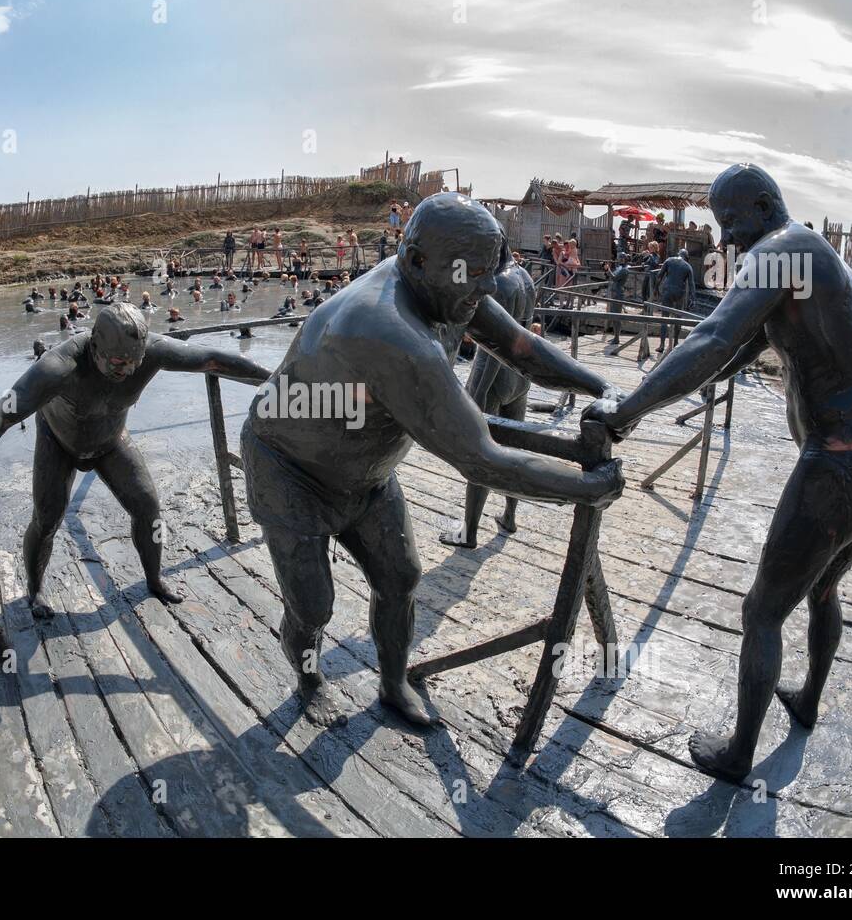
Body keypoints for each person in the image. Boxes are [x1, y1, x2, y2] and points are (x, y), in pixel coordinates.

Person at [241, 193, 625, 728]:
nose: (488, 289)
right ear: (415, 260)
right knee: (313, 606)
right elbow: (483, 462)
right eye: (477, 275)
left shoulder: (454, 286)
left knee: (400, 579)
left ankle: (393, 682)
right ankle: (309, 678)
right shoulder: (384, 329)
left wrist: (602, 386)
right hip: (290, 471)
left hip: (368, 473)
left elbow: (519, 349)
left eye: (493, 273)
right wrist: (589, 488)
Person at [585, 164, 852, 783]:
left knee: (761, 613)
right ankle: (807, 699)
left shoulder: (781, 251)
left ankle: (738, 756)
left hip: (836, 468)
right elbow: (730, 355)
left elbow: (711, 337)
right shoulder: (813, 257)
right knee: (823, 588)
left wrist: (625, 412)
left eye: (730, 223)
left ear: (763, 205)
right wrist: (671, 382)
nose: (725, 240)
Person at [0, 302, 272, 615]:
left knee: (148, 507)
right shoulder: (58, 367)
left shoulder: (151, 352)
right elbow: (1, 415)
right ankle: (35, 591)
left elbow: (214, 359)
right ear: (95, 346)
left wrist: (274, 381)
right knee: (47, 520)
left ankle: (154, 579)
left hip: (110, 440)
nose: (126, 371)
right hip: (59, 442)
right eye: (118, 363)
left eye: (133, 364)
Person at [438, 255, 549, 548]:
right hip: (520, 378)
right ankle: (510, 515)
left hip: (495, 380)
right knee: (514, 448)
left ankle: (470, 530)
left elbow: (491, 349)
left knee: (481, 456)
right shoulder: (524, 276)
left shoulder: (498, 283)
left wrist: (475, 397)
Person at [656, 248, 695, 352]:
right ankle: (676, 343)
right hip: (679, 293)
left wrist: (656, 289)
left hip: (667, 291)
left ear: (678, 254)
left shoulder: (669, 260)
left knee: (664, 318)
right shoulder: (688, 266)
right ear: (686, 257)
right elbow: (691, 285)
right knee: (678, 318)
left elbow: (659, 276)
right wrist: (693, 299)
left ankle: (662, 345)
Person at [603, 253, 630, 346]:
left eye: (621, 258)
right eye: (619, 258)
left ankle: (617, 338)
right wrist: (607, 270)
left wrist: (608, 269)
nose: (619, 259)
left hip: (618, 294)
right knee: (613, 316)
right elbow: (611, 276)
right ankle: (615, 336)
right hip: (614, 292)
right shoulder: (619, 268)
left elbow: (614, 278)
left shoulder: (625, 270)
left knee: (617, 317)